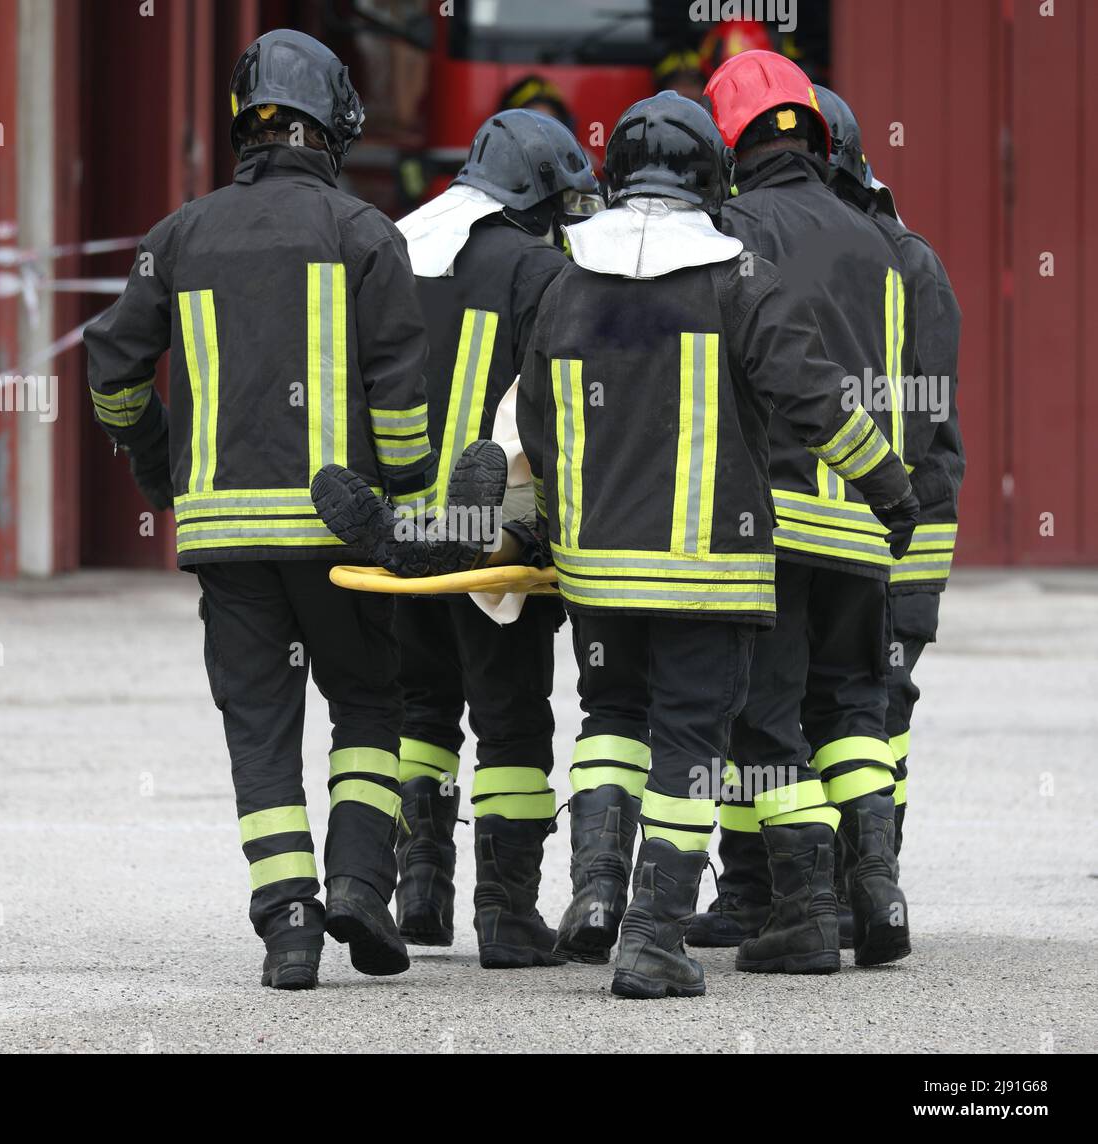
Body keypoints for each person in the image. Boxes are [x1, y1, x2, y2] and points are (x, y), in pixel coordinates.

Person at [312, 91, 917, 997]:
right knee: (690, 750)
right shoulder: (740, 280)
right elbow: (818, 402)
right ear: (712, 179)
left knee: (613, 722)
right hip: (710, 575)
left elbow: (538, 427)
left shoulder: (566, 287)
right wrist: (891, 490)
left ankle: (600, 899)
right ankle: (653, 937)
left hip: (598, 577)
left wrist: (551, 526)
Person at [83, 29, 436, 991]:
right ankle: (359, 886)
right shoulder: (365, 234)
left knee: (260, 731)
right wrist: (406, 508)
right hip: (339, 538)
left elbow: (112, 374)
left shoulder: (177, 237)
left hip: (226, 543)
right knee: (368, 704)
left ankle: (288, 926)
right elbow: (401, 405)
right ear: (332, 122)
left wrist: (161, 466)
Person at [689, 50, 918, 970]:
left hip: (770, 523)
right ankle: (878, 891)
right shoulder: (882, 243)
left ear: (728, 143)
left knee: (766, 721)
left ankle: (804, 913)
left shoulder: (730, 230)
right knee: (854, 709)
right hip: (862, 521)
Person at [387, 110, 601, 968]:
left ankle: (420, 891)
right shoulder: (541, 269)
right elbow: (555, 409)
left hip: (403, 536)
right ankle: (507, 918)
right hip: (497, 539)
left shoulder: (399, 251)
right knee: (510, 723)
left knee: (421, 710)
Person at [815, 85, 964, 858]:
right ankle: (818, 886)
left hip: (903, 528)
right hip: (840, 521)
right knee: (823, 702)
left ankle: (869, 879)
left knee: (880, 705)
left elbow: (919, 411)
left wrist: (862, 478)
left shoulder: (908, 261)